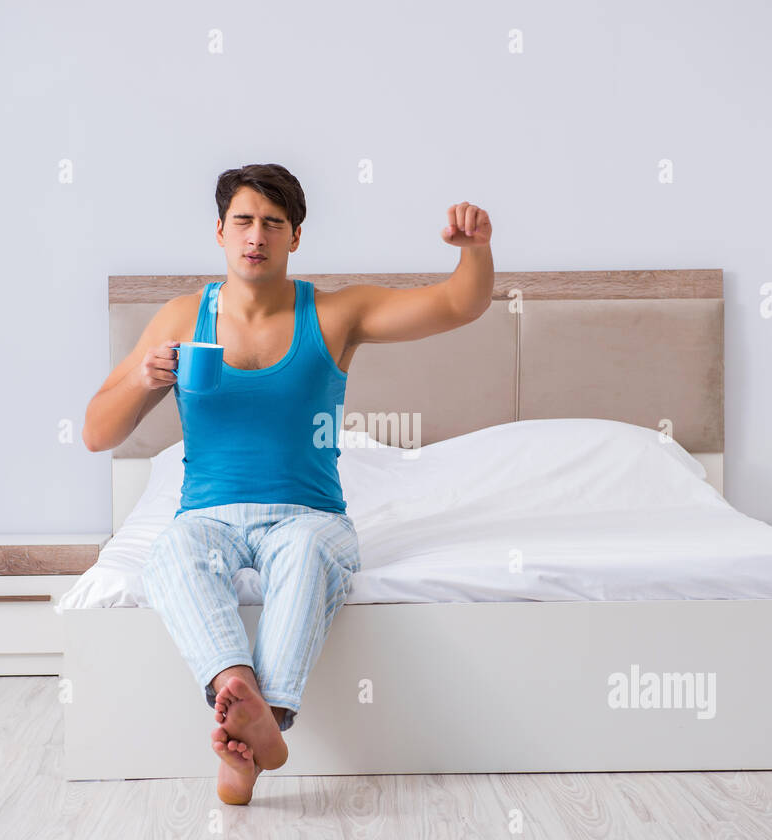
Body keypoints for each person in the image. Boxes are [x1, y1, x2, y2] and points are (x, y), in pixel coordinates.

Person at [82, 163, 493, 804]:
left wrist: (475, 253)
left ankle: (253, 726)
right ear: (220, 231)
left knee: (303, 555)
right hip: (206, 518)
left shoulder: (333, 314)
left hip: (309, 517)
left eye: (274, 223)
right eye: (243, 220)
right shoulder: (180, 318)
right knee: (172, 554)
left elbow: (455, 304)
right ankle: (253, 717)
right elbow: (96, 433)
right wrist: (144, 379)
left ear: (295, 238)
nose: (257, 235)